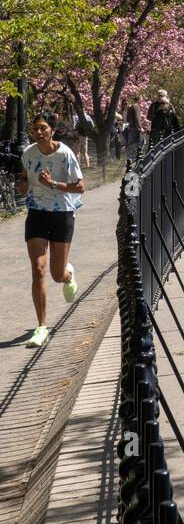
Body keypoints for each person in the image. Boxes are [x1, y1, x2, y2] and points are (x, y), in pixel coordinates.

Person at [16, 112, 85, 349]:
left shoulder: (64, 154)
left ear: (51, 130)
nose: (39, 132)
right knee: (38, 269)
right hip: (36, 214)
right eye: (35, 129)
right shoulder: (28, 154)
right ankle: (42, 327)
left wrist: (53, 184)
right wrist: (23, 185)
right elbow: (24, 180)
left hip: (61, 215)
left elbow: (80, 187)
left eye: (43, 128)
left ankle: (67, 275)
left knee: (56, 274)